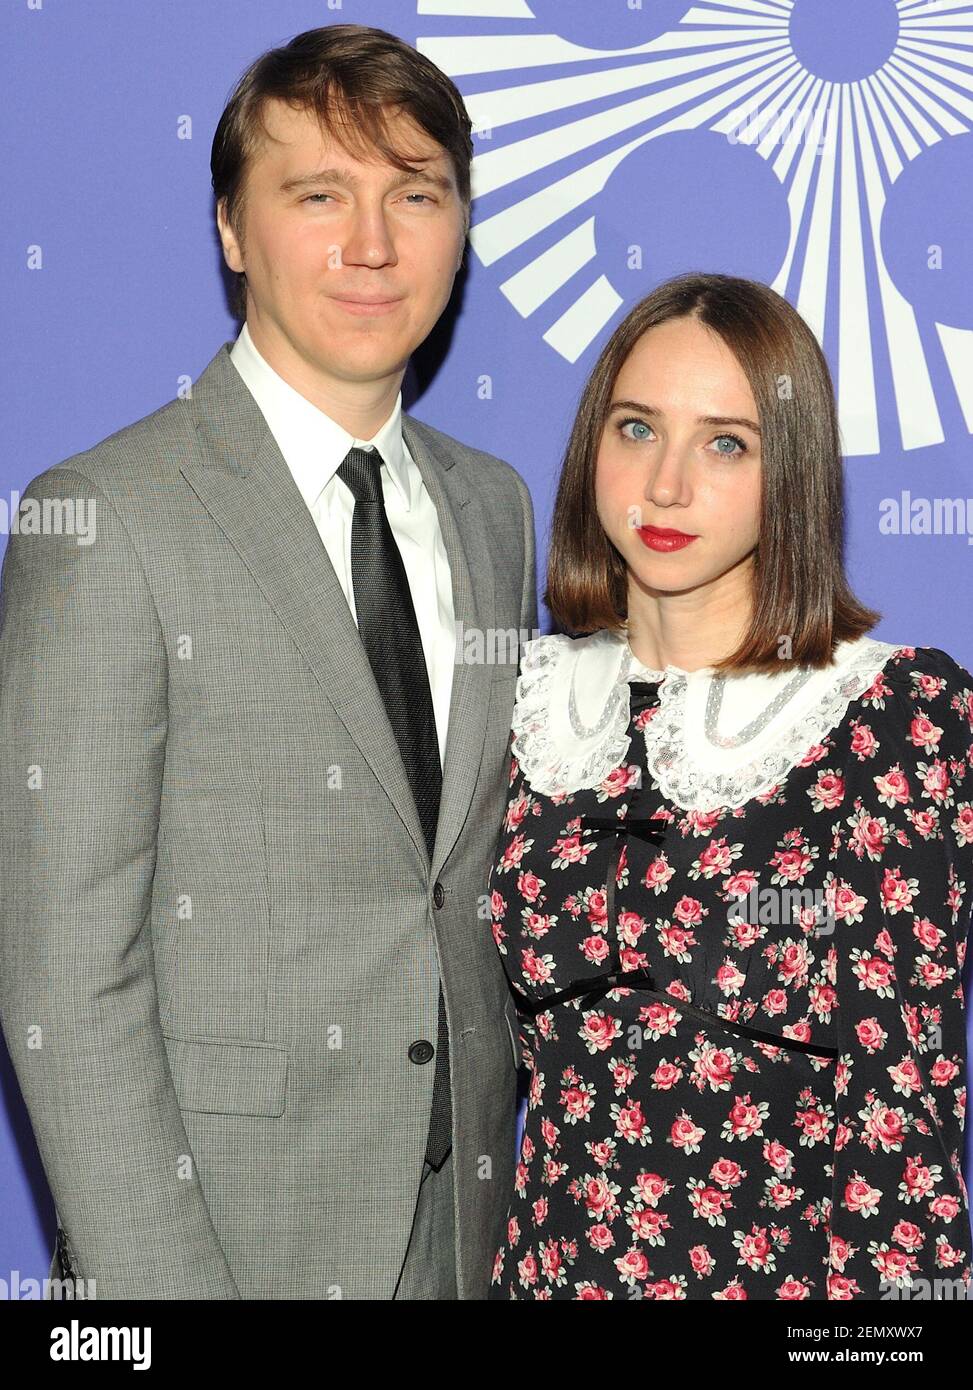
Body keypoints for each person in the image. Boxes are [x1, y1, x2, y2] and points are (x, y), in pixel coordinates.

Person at [0, 24, 536, 1300]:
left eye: (417, 194)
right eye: (318, 195)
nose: (373, 242)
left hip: (464, 1240)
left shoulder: (495, 504)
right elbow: (61, 971)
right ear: (233, 230)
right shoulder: (103, 516)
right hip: (216, 1248)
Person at [487, 272, 973, 1300]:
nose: (665, 486)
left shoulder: (891, 715)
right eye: (634, 429)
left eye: (724, 443)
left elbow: (905, 1113)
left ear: (787, 469)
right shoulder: (522, 707)